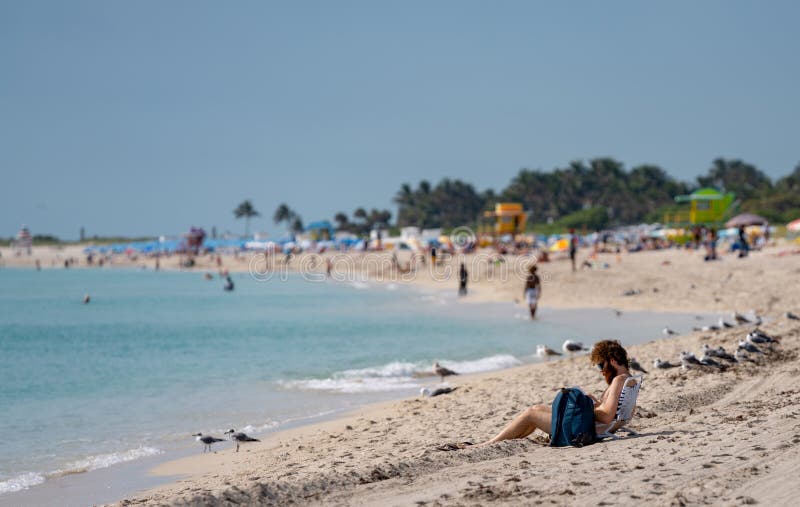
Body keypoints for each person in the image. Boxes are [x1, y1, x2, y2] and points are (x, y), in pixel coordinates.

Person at [459, 340, 633, 448]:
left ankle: (487, 444)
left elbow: (606, 417)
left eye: (601, 365)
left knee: (531, 414)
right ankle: (507, 439)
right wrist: (593, 403)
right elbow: (609, 412)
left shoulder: (618, 381)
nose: (601, 370)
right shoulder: (627, 379)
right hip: (589, 424)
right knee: (537, 408)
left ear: (612, 361)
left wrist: (587, 407)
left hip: (582, 429)